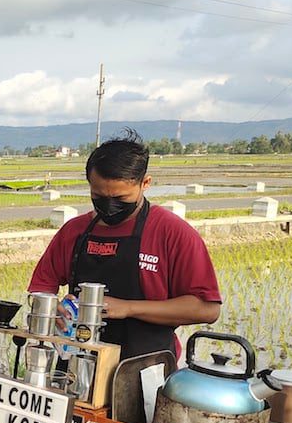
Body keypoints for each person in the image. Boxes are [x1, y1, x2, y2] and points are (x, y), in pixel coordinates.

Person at [27, 131, 221, 359]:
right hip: (78, 363)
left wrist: (129, 308)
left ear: (145, 183)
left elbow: (207, 309)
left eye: (120, 199)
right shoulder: (74, 231)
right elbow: (41, 287)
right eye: (99, 197)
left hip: (145, 366)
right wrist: (50, 308)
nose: (109, 207)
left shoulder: (172, 232)